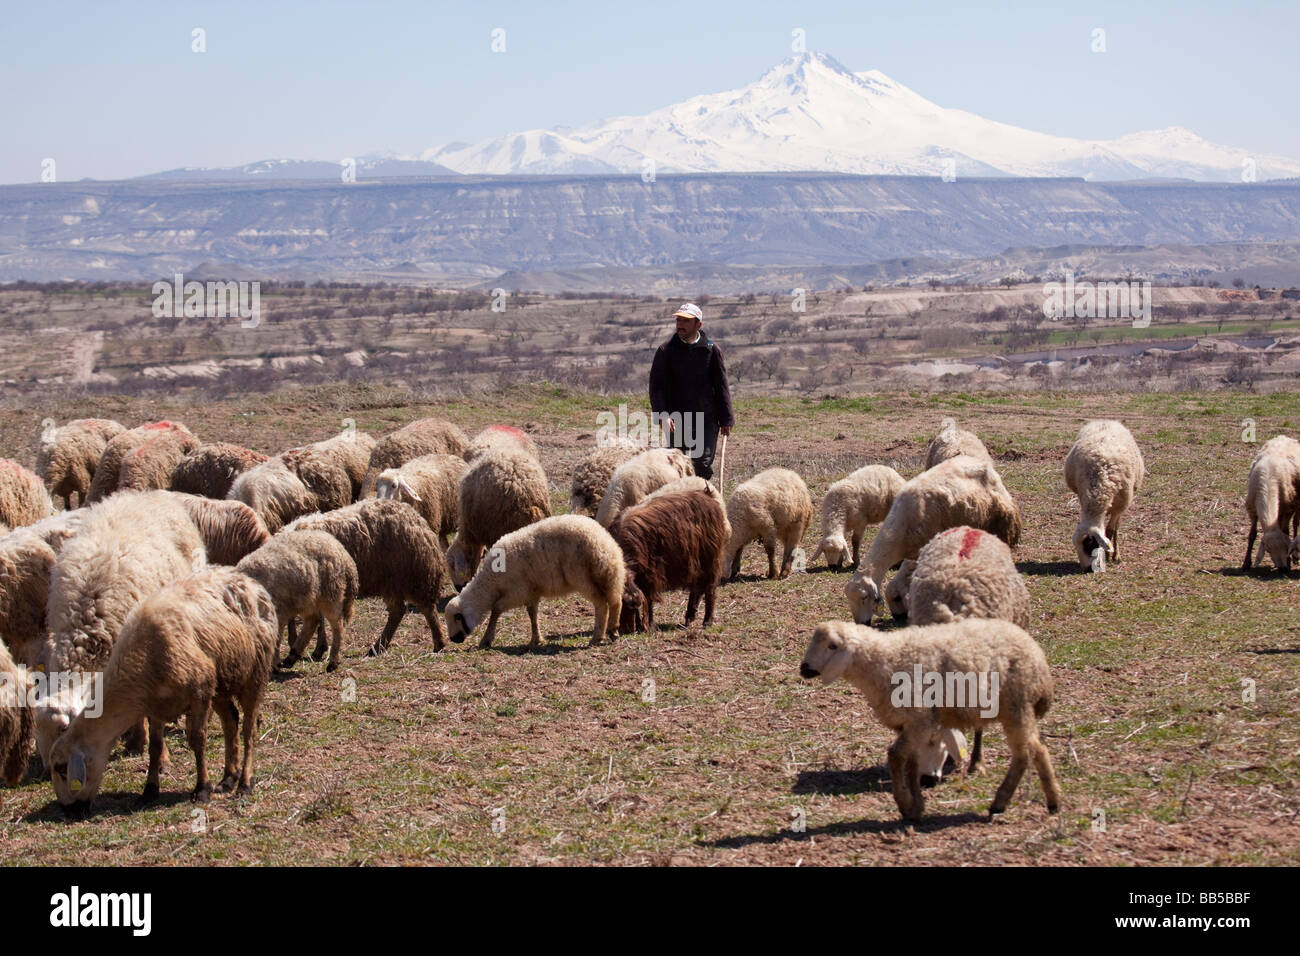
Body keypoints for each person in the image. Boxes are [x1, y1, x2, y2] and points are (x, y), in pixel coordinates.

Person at [648, 302, 734, 481]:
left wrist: (726, 419)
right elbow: (657, 388)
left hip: (707, 419)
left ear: (698, 325)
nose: (680, 324)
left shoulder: (711, 351)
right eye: (679, 320)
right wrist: (663, 415)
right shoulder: (665, 351)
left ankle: (701, 500)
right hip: (677, 419)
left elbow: (721, 386)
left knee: (701, 464)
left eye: (686, 321)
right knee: (676, 465)